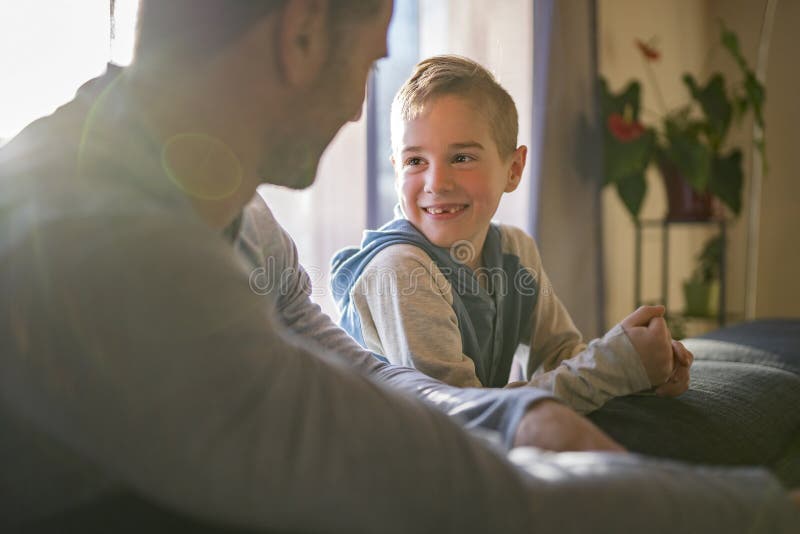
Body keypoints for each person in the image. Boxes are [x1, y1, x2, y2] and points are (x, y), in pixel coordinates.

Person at [0, 1, 797, 532]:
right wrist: (764, 511)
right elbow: (475, 498)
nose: (358, 107)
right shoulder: (99, 247)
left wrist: (517, 416)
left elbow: (353, 367)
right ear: (302, 34)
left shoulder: (236, 213)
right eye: (372, 58)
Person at [331, 55, 692, 414]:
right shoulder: (399, 270)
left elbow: (560, 357)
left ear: (514, 169)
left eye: (461, 158)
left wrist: (640, 369)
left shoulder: (515, 251)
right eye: (415, 161)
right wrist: (611, 370)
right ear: (396, 171)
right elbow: (461, 415)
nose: (436, 183)